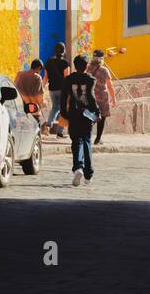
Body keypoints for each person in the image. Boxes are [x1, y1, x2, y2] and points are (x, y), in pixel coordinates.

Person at [61, 55, 100, 186]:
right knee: (87, 141)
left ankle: (78, 167)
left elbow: (63, 97)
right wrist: (97, 112)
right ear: (86, 66)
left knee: (76, 141)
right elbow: (91, 97)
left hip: (73, 114)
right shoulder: (90, 79)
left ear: (74, 65)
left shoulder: (68, 79)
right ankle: (88, 173)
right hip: (87, 114)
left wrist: (63, 113)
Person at [87, 48, 116, 144]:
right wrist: (114, 98)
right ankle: (98, 139)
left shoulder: (88, 68)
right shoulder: (104, 70)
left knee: (91, 116)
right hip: (102, 97)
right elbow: (110, 85)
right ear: (101, 59)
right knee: (102, 117)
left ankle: (87, 136)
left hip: (91, 95)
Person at [43, 42, 70, 138]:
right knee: (62, 109)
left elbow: (45, 77)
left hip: (52, 89)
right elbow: (67, 78)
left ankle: (48, 126)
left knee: (55, 107)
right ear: (64, 51)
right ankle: (59, 132)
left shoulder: (49, 61)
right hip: (62, 89)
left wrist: (42, 88)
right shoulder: (65, 62)